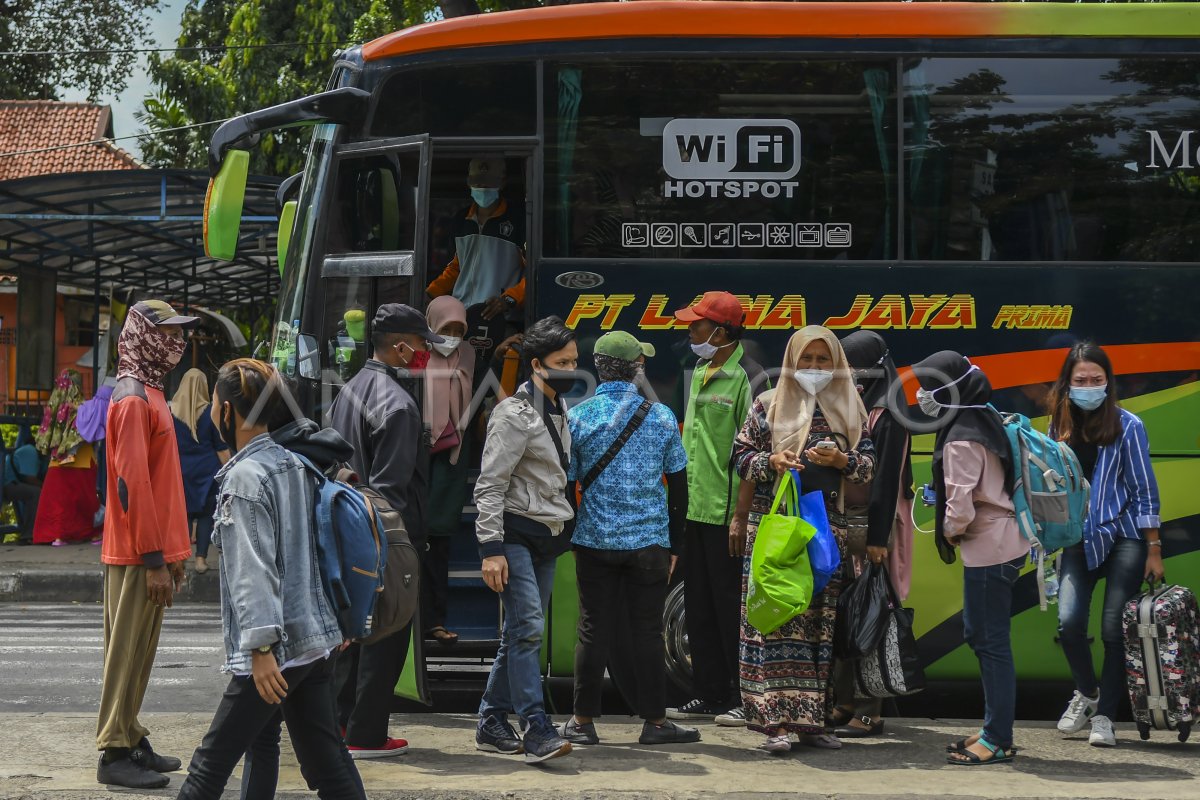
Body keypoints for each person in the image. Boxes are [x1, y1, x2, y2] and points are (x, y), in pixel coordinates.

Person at [175, 359, 366, 800]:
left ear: (227, 413)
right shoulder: (297, 462)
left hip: (276, 651)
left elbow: (253, 569)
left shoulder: (244, 478)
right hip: (314, 640)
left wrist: (261, 649)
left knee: (209, 768)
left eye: (215, 407)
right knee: (326, 764)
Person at [730, 325, 875, 754]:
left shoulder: (850, 407)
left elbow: (868, 467)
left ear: (836, 364)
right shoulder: (767, 405)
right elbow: (740, 456)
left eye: (822, 360)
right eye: (806, 360)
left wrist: (842, 459)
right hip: (774, 531)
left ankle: (813, 723)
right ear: (792, 361)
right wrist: (772, 460)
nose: (814, 368)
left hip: (827, 533)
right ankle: (773, 725)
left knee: (819, 626)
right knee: (773, 621)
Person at [558, 331, 700, 748]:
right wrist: (675, 545)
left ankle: (582, 721)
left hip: (595, 541)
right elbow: (678, 485)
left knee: (591, 629)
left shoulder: (579, 417)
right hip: (649, 545)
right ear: (638, 366)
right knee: (647, 633)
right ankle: (656, 723)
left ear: (599, 367)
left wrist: (575, 530)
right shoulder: (660, 416)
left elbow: (568, 484)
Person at [329, 303, 440, 759]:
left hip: (348, 528)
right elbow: (391, 492)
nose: (425, 354)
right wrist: (393, 550)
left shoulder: (349, 389)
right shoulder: (398, 405)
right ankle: (367, 734)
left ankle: (339, 724)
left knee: (354, 634)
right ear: (399, 346)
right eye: (420, 345)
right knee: (386, 634)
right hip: (385, 536)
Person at [96, 300, 197, 789]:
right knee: (125, 654)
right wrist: (155, 558)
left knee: (141, 652)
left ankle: (131, 737)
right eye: (168, 331)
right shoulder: (133, 397)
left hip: (155, 551)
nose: (176, 342)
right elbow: (131, 485)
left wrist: (173, 554)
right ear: (143, 334)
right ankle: (113, 751)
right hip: (138, 554)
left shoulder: (153, 391)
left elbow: (163, 483)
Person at [1049, 342, 1162, 748]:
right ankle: (1088, 693)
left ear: (1108, 383)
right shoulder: (1055, 427)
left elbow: (1145, 489)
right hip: (1077, 538)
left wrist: (1153, 547)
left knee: (1115, 630)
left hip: (1125, 537)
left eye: (1097, 380)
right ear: (1067, 384)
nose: (1089, 386)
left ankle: (1107, 718)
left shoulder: (1128, 425)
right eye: (1081, 380)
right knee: (1069, 623)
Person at [473, 316, 576, 764]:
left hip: (548, 535)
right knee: (530, 628)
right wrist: (491, 550)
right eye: (562, 362)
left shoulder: (558, 407)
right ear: (536, 363)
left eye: (575, 360)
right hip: (515, 532)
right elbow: (490, 483)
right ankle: (536, 726)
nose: (572, 368)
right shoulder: (513, 414)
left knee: (520, 631)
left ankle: (490, 718)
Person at [914, 350, 1023, 766]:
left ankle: (997, 738)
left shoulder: (960, 435)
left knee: (989, 642)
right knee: (982, 636)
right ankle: (994, 728)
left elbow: (959, 510)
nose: (923, 398)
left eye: (928, 389)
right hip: (1005, 542)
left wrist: (949, 533)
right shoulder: (984, 415)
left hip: (988, 547)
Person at [666, 292, 767, 727]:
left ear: (721, 332)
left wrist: (741, 517)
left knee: (732, 611)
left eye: (696, 326)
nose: (690, 333)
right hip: (696, 510)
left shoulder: (750, 377)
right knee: (700, 606)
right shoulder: (703, 370)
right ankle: (710, 693)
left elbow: (753, 451)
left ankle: (745, 697)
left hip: (728, 517)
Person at [830, 330, 914, 739]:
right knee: (849, 612)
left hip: (876, 525)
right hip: (852, 520)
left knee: (871, 616)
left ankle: (869, 711)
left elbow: (886, 482)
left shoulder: (891, 412)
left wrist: (879, 538)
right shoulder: (863, 405)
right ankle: (844, 702)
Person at [422, 296, 477, 644]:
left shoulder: (470, 355)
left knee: (438, 544)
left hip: (454, 456)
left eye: (459, 330)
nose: (453, 336)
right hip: (419, 453)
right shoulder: (417, 356)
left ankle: (434, 621)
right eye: (446, 329)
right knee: (417, 545)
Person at [426, 157, 525, 321]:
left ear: (503, 182)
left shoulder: (519, 219)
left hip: (501, 316)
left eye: (490, 182)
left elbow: (533, 272)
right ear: (468, 182)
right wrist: (430, 294)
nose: (482, 187)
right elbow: (456, 268)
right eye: (477, 181)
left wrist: (509, 299)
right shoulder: (461, 219)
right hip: (462, 315)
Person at [169, 369, 230, 574]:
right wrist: (230, 469)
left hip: (180, 472)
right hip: (207, 471)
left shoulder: (172, 413)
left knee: (183, 516)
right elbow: (220, 447)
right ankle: (201, 560)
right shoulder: (210, 412)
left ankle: (181, 558)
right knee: (205, 516)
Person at [31, 369, 101, 546]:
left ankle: (59, 535)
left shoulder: (54, 406)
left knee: (57, 500)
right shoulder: (83, 406)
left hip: (58, 461)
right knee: (86, 500)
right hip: (83, 459)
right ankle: (93, 534)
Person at [2, 426, 43, 544]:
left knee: (34, 492)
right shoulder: (31, 451)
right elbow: (30, 479)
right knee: (35, 493)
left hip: (11, 484)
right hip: (8, 485)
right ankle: (28, 535)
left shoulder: (29, 451)